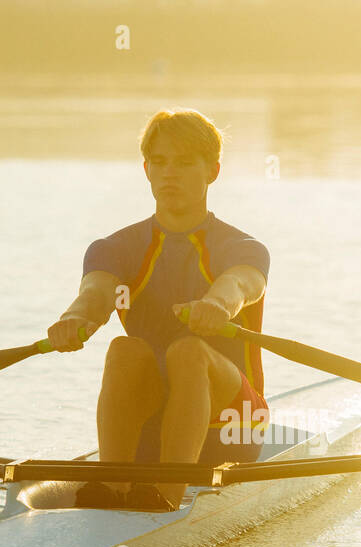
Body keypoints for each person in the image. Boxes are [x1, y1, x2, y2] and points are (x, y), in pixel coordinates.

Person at [47, 108, 270, 511]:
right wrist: (74, 320)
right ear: (146, 170)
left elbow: (240, 285)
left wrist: (216, 306)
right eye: (161, 162)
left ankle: (165, 499)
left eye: (185, 163)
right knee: (123, 348)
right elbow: (96, 292)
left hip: (230, 430)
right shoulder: (114, 248)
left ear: (213, 171)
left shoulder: (243, 248)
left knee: (189, 351)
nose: (170, 173)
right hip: (150, 429)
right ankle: (112, 488)